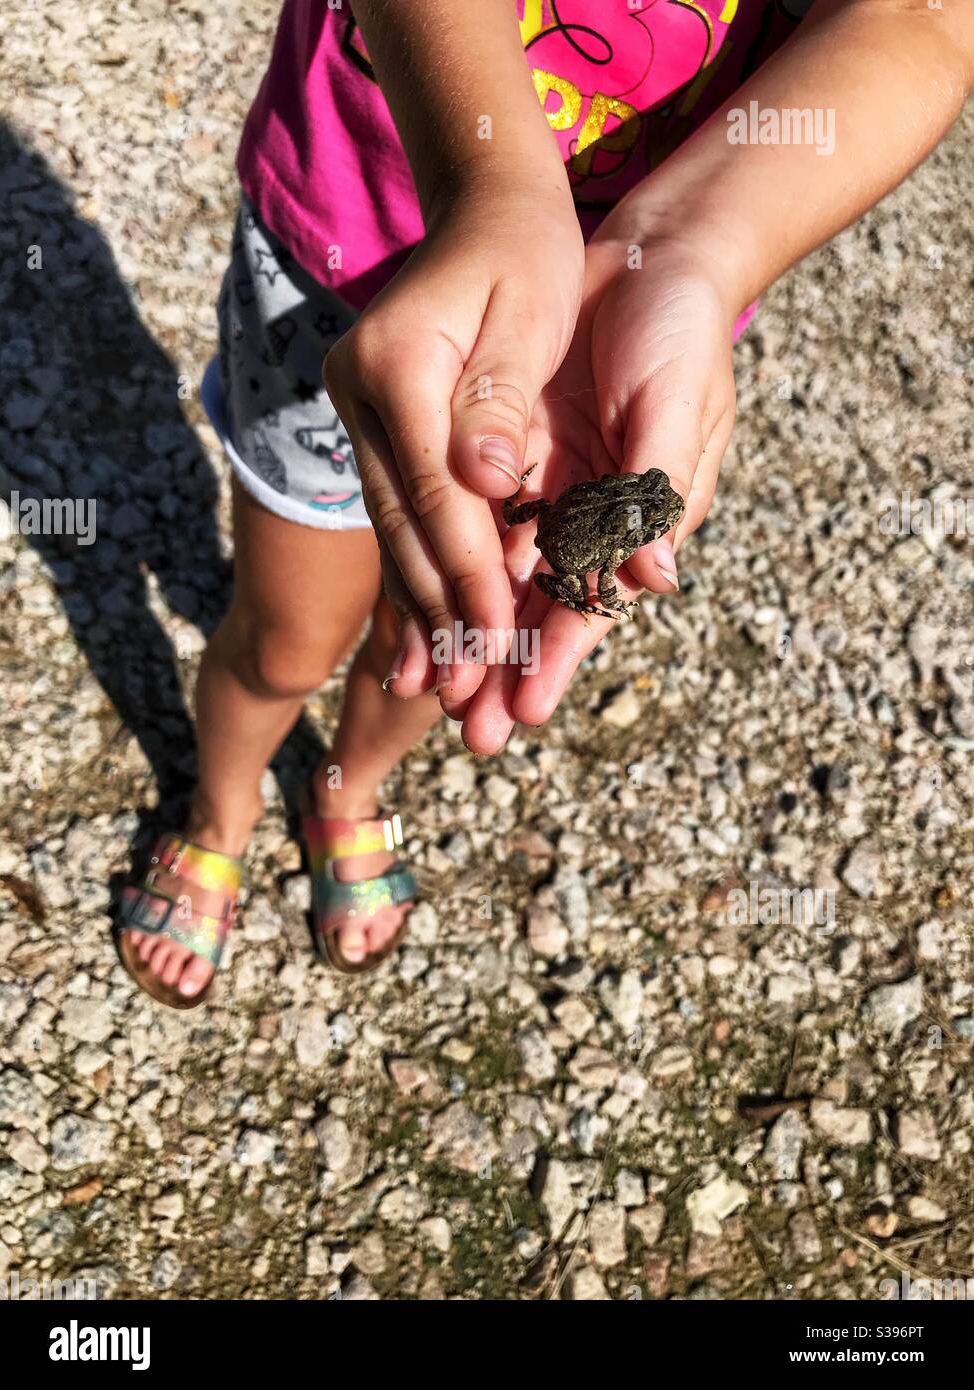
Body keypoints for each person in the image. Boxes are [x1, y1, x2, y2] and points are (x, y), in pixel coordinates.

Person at [116, 0, 974, 1005]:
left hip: (600, 336)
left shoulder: (605, 513)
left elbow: (919, 17)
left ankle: (346, 785)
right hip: (342, 238)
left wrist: (691, 242)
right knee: (287, 639)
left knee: (447, 633)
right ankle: (219, 810)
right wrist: (495, 187)